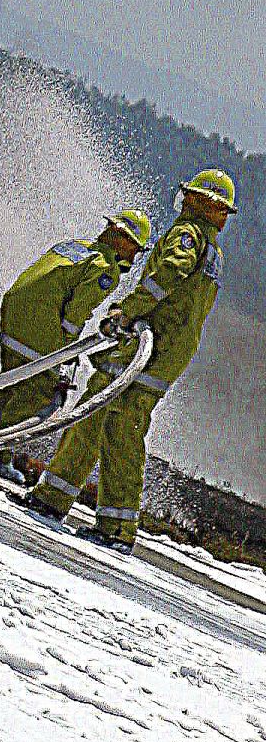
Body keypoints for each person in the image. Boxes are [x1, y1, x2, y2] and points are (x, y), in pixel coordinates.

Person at [22, 169, 236, 553]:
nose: (184, 202)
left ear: (203, 203)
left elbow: (166, 275)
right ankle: (53, 497)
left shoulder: (189, 236)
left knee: (122, 426)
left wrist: (127, 311)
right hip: (161, 349)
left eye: (191, 197)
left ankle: (116, 528)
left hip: (150, 347)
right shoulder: (213, 253)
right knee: (94, 413)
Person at [0, 210, 151, 474]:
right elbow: (74, 317)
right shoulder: (106, 269)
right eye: (135, 248)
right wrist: (65, 355)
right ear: (122, 238)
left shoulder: (74, 246)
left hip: (14, 316)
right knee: (41, 390)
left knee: (12, 380)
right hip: (40, 327)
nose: (134, 257)